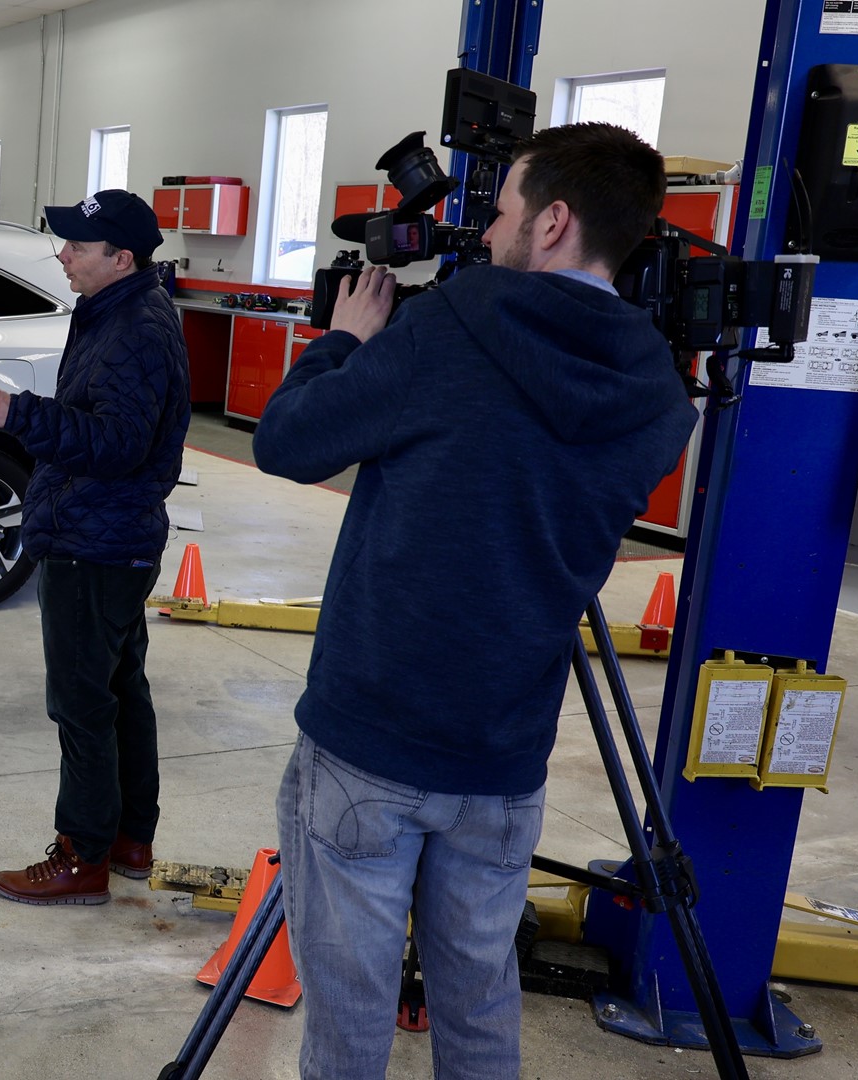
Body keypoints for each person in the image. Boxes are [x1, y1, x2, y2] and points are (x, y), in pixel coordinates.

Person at [252, 122, 698, 1077]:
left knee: (351, 1019)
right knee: (481, 999)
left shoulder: (450, 326)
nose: (485, 234)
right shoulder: (658, 394)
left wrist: (340, 344)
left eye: (500, 213)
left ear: (553, 223)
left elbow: (289, 443)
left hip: (370, 739)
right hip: (504, 755)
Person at [0, 189, 191, 905]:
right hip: (107, 533)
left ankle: (82, 855)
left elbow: (118, 444)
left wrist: (17, 413)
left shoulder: (135, 329)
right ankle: (127, 840)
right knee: (119, 690)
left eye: (77, 247)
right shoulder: (120, 312)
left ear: (121, 259)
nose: (62, 255)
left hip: (97, 537)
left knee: (83, 702)